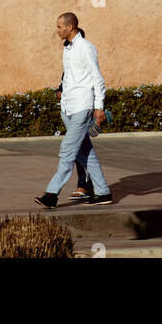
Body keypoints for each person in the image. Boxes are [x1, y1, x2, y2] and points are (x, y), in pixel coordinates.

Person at [35, 12, 113, 207]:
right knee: (84, 152)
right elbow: (69, 77)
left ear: (71, 27)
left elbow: (98, 79)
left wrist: (99, 108)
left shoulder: (86, 48)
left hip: (82, 106)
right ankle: (103, 192)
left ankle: (52, 194)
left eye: (60, 26)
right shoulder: (67, 49)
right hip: (68, 107)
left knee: (68, 151)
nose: (57, 30)